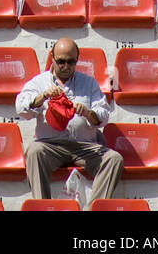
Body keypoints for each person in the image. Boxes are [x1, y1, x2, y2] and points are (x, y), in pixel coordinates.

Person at [15, 37, 124, 206]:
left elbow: (103, 114)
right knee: (34, 151)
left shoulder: (88, 82)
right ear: (52, 58)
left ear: (77, 60)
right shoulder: (39, 82)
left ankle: (95, 209)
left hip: (84, 146)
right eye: (61, 62)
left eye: (71, 62)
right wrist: (42, 96)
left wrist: (89, 113)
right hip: (51, 145)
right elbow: (21, 108)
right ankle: (44, 208)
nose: (66, 67)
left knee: (114, 159)